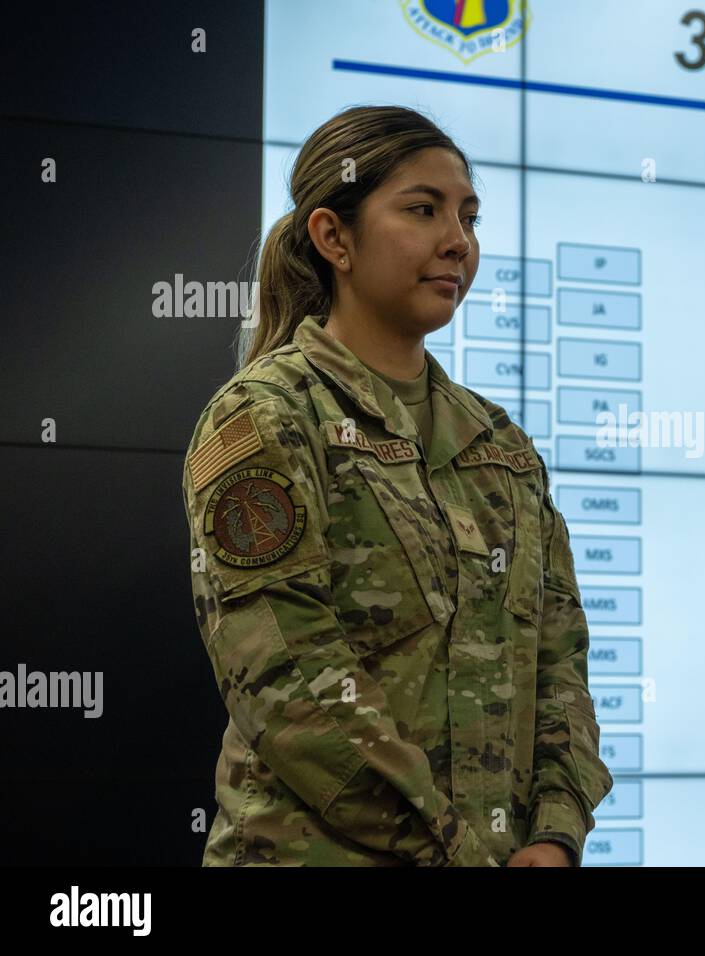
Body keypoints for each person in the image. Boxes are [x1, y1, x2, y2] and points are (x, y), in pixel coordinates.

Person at [182, 105, 611, 866]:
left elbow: (560, 662)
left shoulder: (502, 447)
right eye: (423, 210)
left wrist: (553, 834)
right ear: (333, 237)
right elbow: (289, 683)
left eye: (468, 217)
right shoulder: (265, 416)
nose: (458, 241)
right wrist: (458, 852)